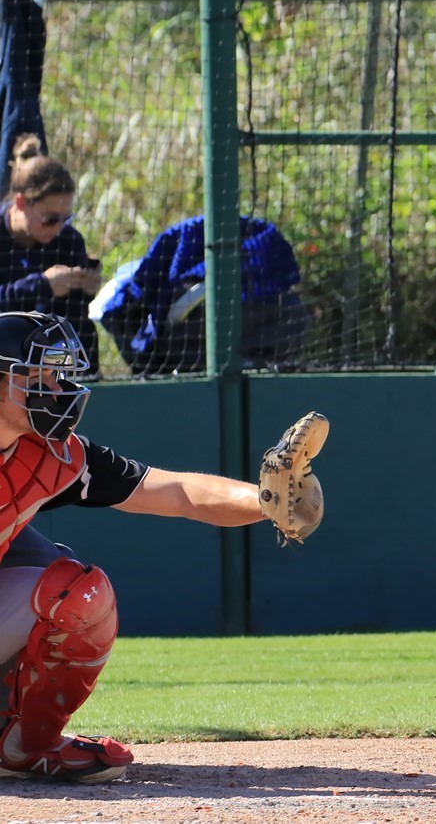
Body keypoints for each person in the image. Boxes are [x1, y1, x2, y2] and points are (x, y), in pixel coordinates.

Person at [0, 310, 321, 783]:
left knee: (75, 590)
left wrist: (265, 501)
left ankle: (24, 746)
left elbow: (172, 490)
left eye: (57, 372)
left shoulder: (51, 455)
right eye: (37, 374)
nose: (55, 386)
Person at [0, 137, 101, 376]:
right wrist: (43, 285)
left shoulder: (68, 240)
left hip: (51, 358)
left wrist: (85, 288)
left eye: (66, 218)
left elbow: (73, 318)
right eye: (50, 218)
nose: (58, 227)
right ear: (21, 202)